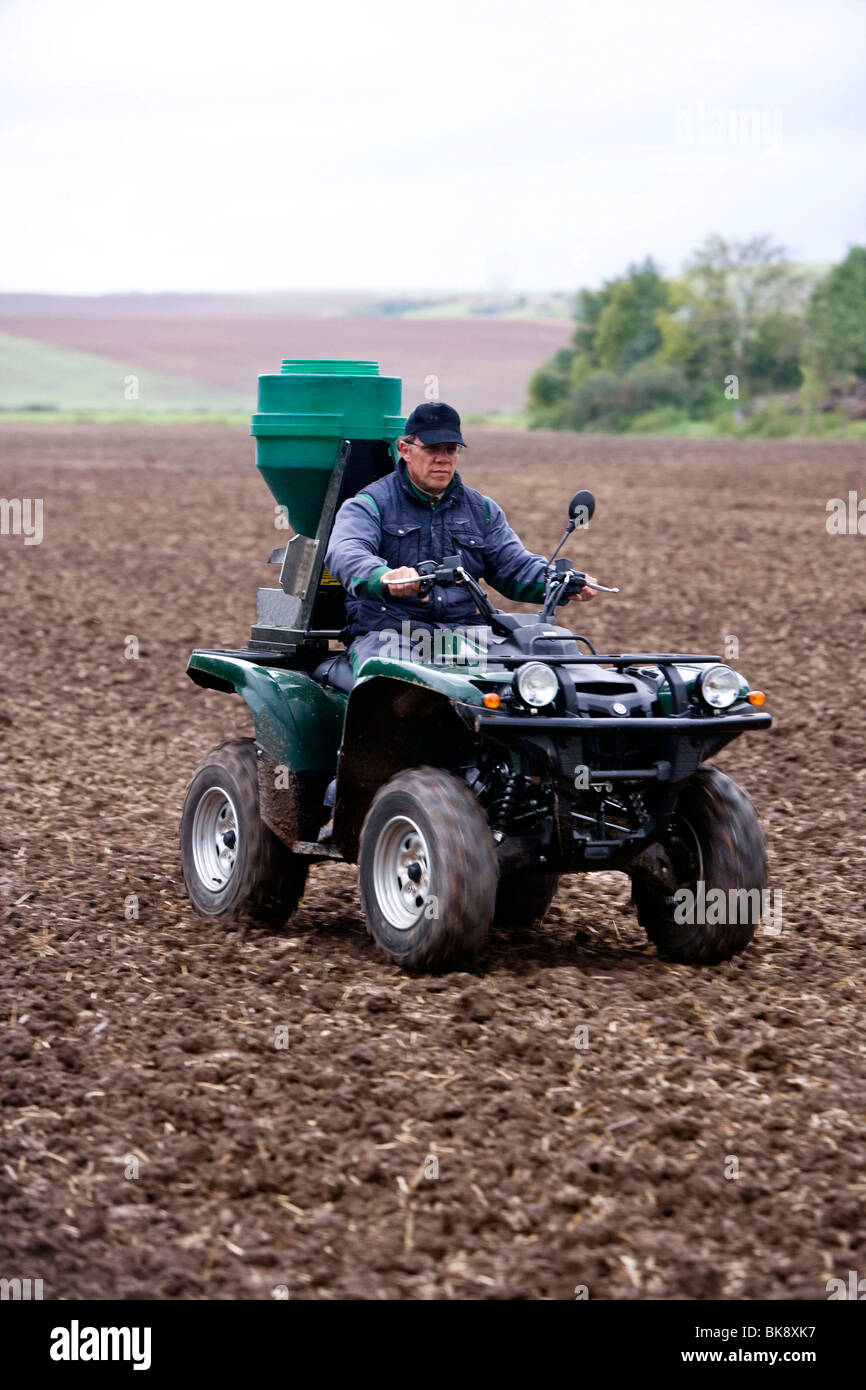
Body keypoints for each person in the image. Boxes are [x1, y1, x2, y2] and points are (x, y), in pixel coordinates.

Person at [325, 399, 596, 677]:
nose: (443, 458)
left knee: (544, 673)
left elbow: (513, 565)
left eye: (451, 449)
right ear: (404, 449)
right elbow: (346, 552)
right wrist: (383, 576)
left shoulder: (481, 509)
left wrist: (560, 581)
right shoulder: (370, 504)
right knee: (395, 683)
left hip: (465, 635)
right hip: (391, 633)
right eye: (432, 449)